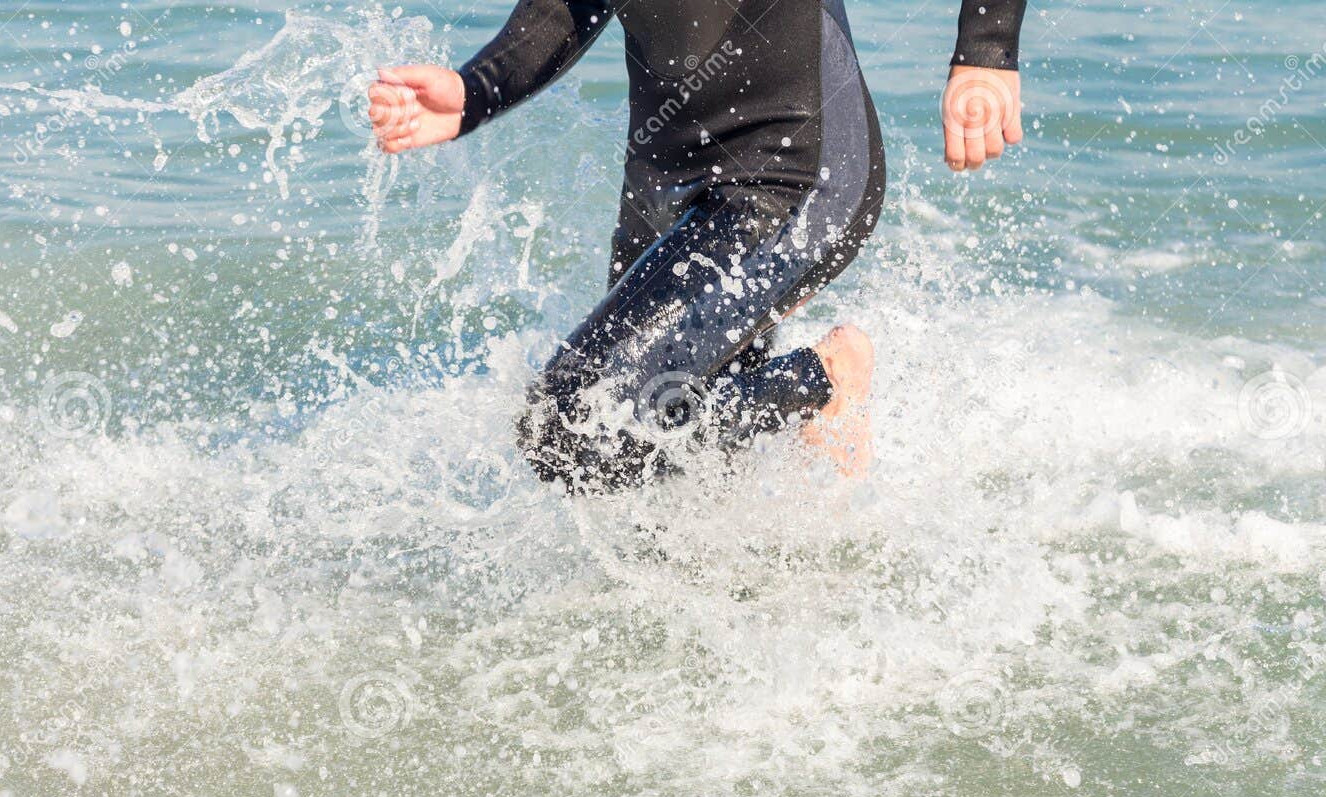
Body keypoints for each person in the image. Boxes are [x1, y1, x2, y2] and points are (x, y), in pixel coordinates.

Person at [367, 0, 1026, 490]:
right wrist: (476, 91)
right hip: (664, 182)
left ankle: (821, 380)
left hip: (793, 172)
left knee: (573, 426)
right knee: (664, 477)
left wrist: (986, 51)